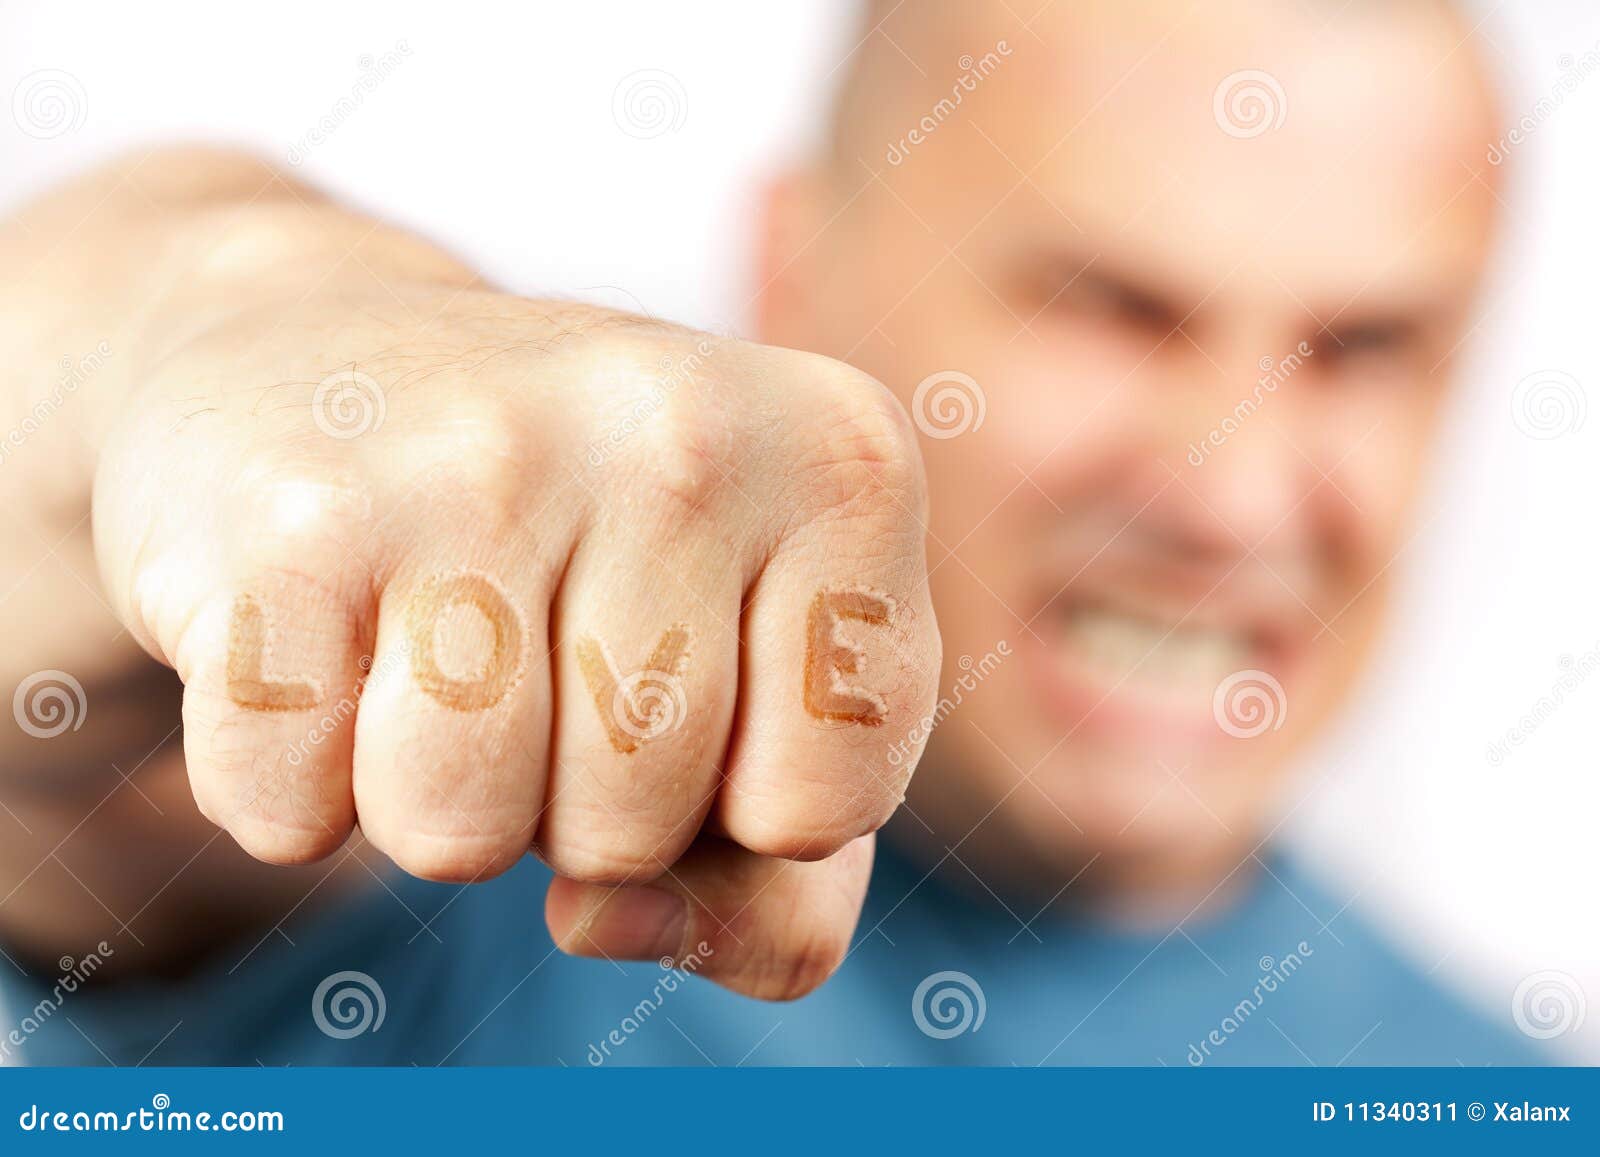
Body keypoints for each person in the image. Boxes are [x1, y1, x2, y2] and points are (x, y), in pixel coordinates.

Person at [0, 0, 1543, 1065]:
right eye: (1117, 311)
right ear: (795, 278)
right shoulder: (407, 853)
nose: (1234, 492)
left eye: (1364, 348)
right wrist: (224, 328)